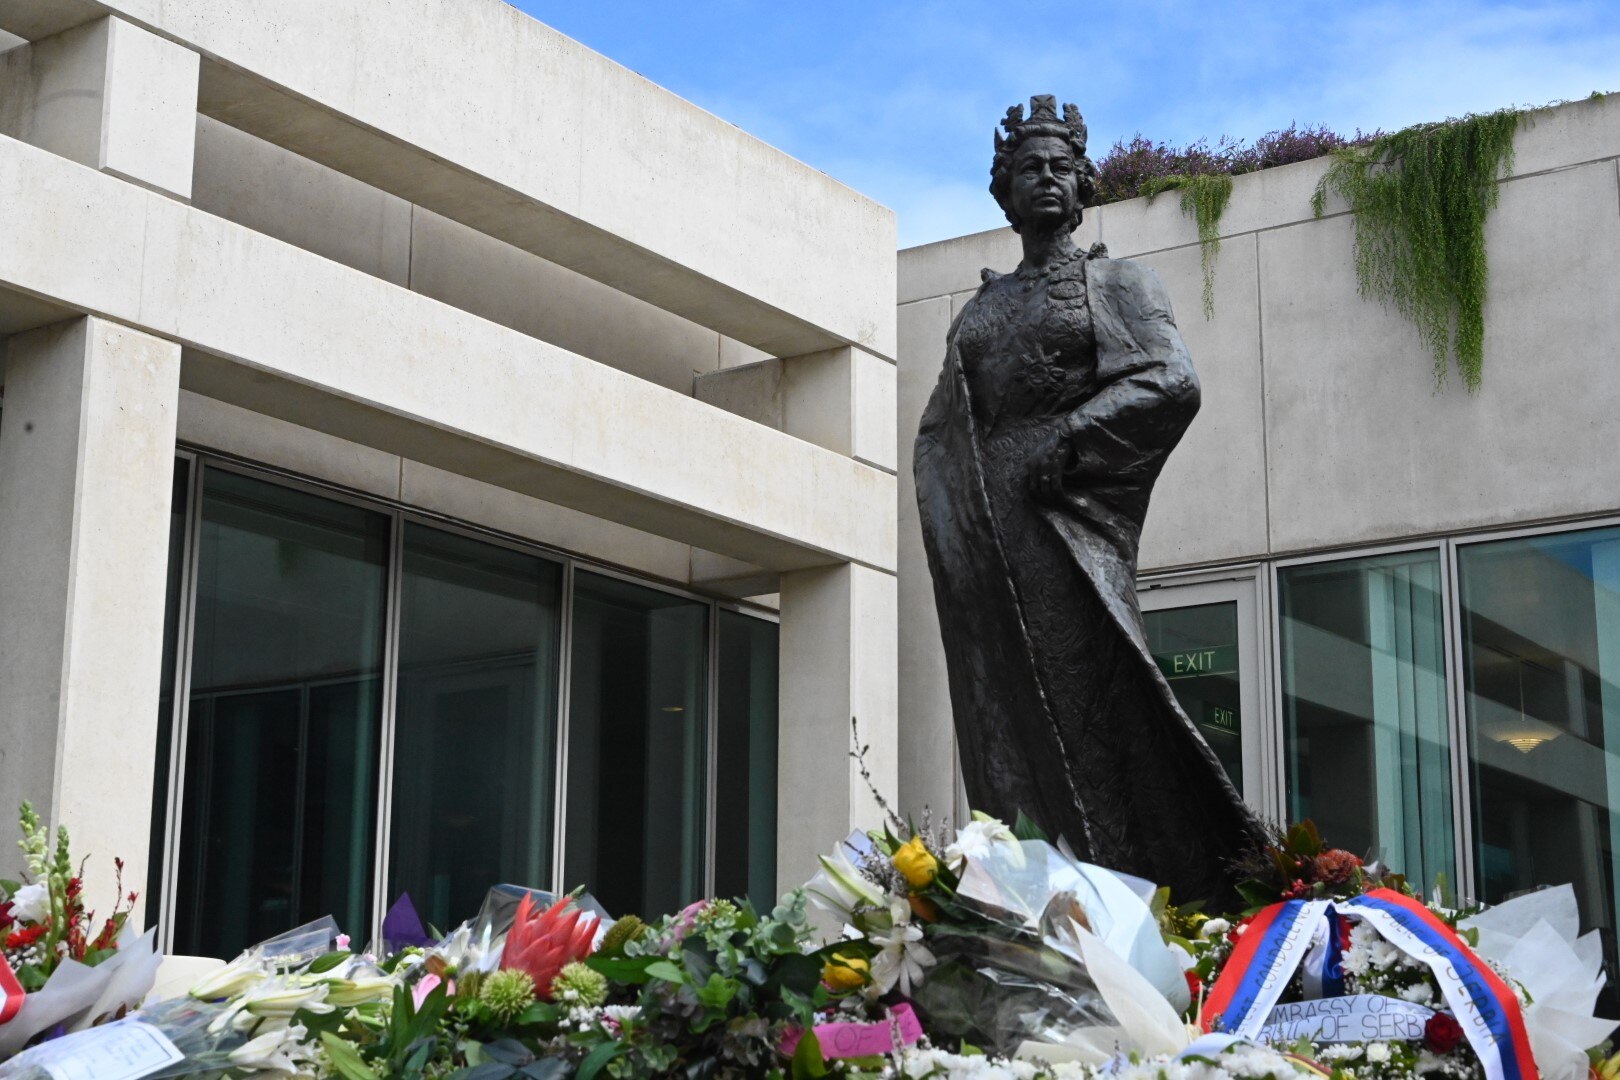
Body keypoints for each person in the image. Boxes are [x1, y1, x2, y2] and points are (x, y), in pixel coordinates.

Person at [914, 96, 1264, 903]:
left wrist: (1069, 440)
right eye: (1027, 168)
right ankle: (1033, 895)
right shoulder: (978, 310)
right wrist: (956, 533)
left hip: (1062, 529)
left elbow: (1171, 381)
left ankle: (1133, 894)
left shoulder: (1117, 283)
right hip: (989, 541)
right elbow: (942, 435)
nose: (1044, 179)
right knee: (1006, 719)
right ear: (1004, 193)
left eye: (1059, 167)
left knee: (1091, 710)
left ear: (1083, 186)